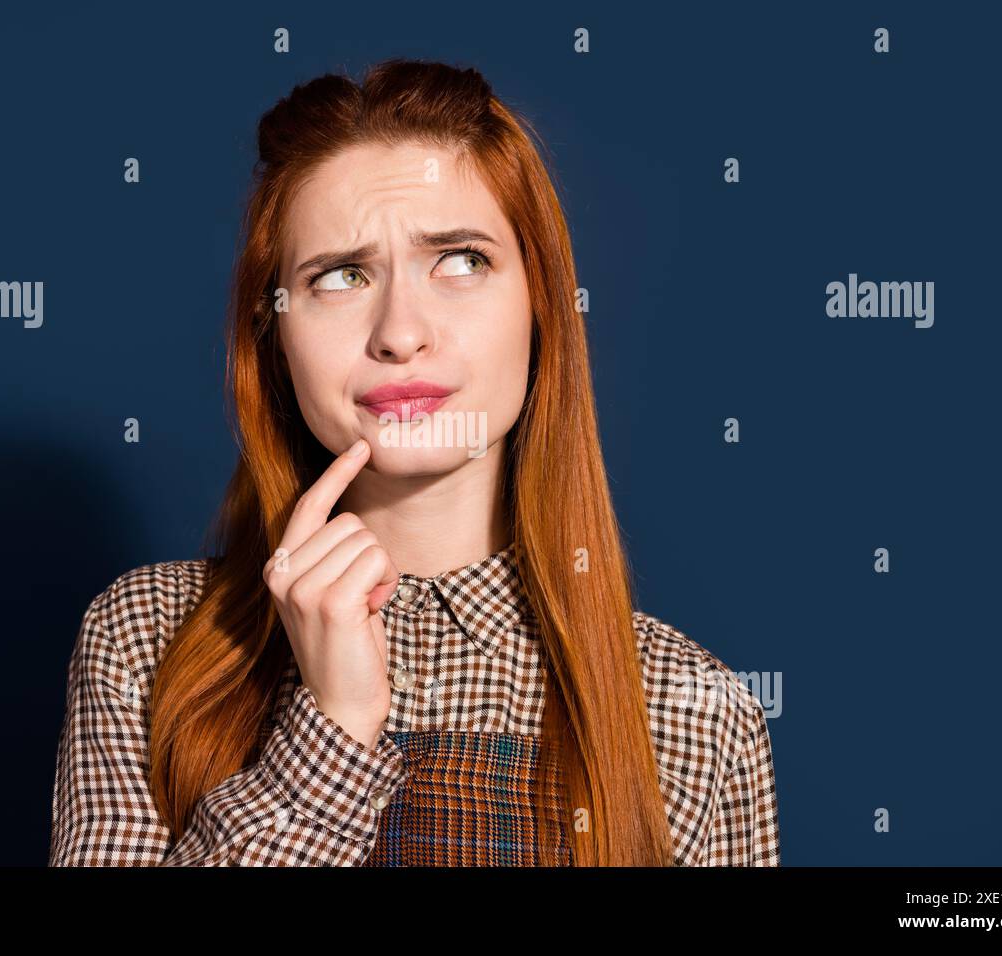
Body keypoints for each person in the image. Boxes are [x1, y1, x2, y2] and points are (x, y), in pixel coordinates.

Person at [47, 58, 779, 867]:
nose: (400, 331)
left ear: (542, 305)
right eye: (341, 276)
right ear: (275, 334)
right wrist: (333, 729)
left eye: (461, 260)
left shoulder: (691, 708)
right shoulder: (147, 639)